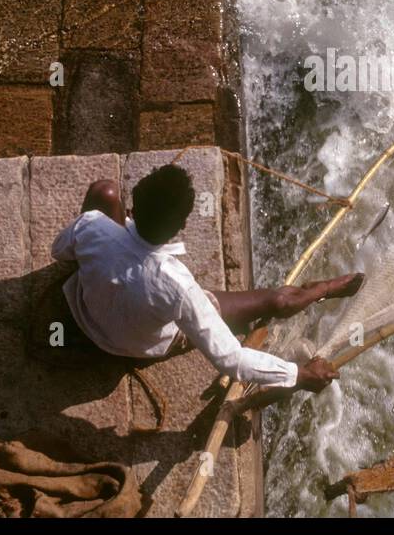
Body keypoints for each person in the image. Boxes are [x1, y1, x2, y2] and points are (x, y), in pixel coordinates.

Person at [50, 164, 362, 393]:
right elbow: (232, 361)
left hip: (84, 314)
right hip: (138, 344)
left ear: (136, 201)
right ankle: (320, 290)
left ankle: (319, 290)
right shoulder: (177, 285)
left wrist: (106, 254)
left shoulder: (91, 225)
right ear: (179, 228)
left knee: (104, 190)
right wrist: (301, 376)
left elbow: (59, 253)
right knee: (276, 300)